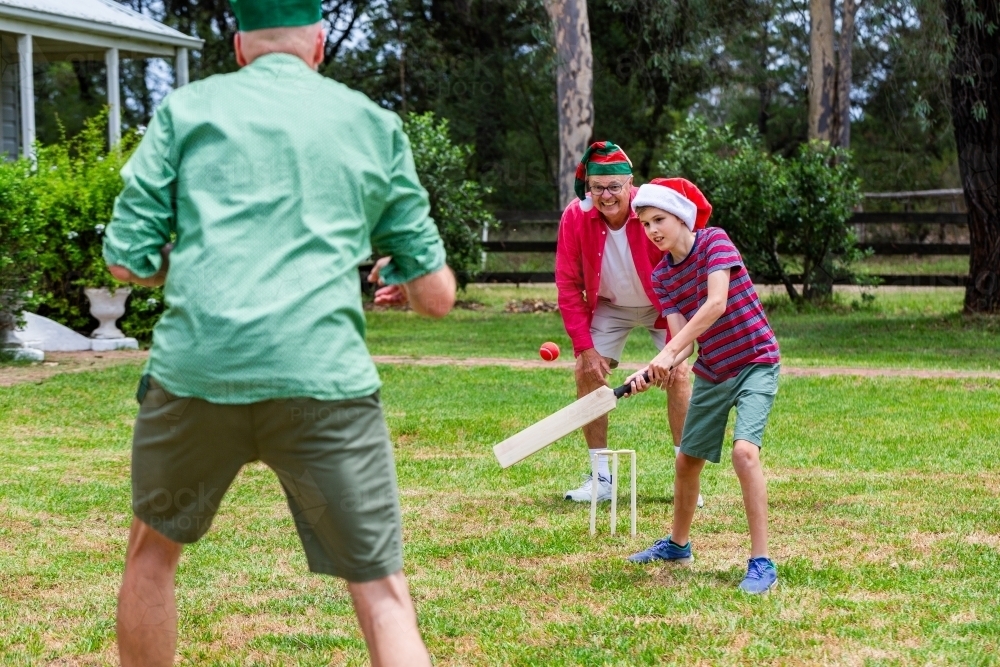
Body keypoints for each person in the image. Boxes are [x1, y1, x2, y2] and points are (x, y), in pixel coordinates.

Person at [102, 1, 455, 664]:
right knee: (381, 588)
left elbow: (127, 259)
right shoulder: (372, 124)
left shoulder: (186, 111)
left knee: (152, 552)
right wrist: (402, 274)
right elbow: (437, 298)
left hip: (196, 376)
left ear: (239, 47)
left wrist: (181, 263)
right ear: (319, 45)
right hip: (323, 379)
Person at [622, 178, 781, 595]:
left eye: (659, 219)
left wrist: (667, 351)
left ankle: (761, 561)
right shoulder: (662, 277)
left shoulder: (715, 242)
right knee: (686, 461)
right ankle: (678, 546)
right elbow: (684, 345)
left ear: (681, 216)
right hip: (713, 371)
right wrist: (654, 369)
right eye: (644, 224)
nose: (653, 230)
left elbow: (716, 303)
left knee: (744, 454)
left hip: (754, 362)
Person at [555, 142, 702, 507]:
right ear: (588, 187)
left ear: (630, 184)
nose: (606, 196)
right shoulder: (575, 217)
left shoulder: (651, 209)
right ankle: (601, 478)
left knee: (680, 373)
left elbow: (684, 267)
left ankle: (686, 478)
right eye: (597, 188)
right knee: (587, 372)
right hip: (610, 305)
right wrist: (585, 349)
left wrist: (672, 350)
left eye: (614, 187)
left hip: (664, 305)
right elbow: (568, 285)